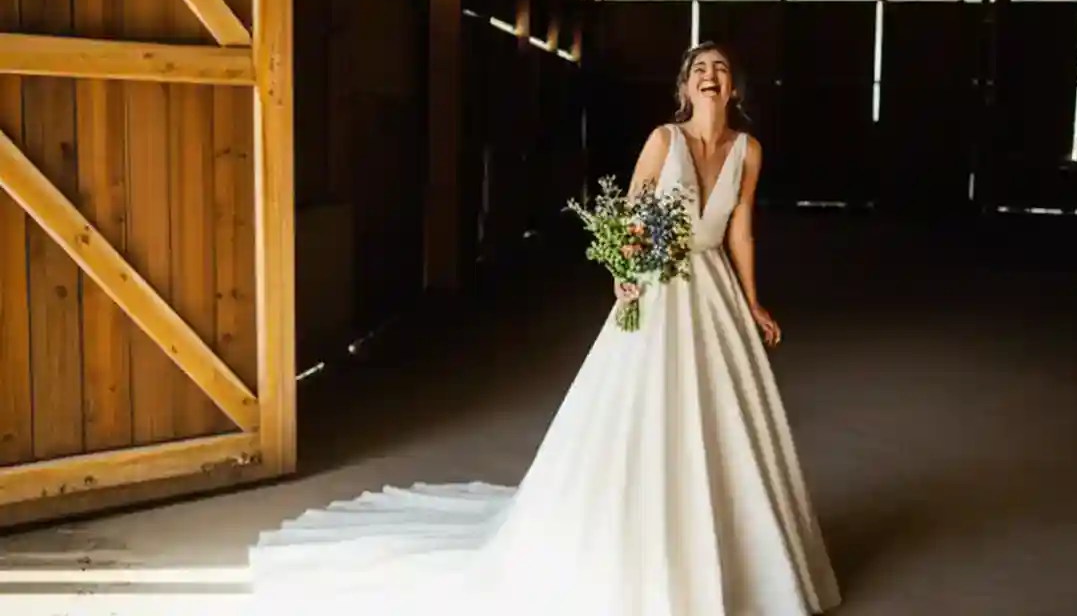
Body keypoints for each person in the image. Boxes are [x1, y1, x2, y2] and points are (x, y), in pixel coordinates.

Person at [248, 41, 842, 616]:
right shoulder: (664, 140)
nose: (710, 74)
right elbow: (631, 210)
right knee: (646, 411)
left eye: (721, 67)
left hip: (713, 290)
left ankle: (727, 553)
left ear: (733, 87)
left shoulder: (748, 151)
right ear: (685, 88)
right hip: (660, 286)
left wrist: (752, 302)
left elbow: (740, 228)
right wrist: (624, 272)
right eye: (699, 68)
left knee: (721, 416)